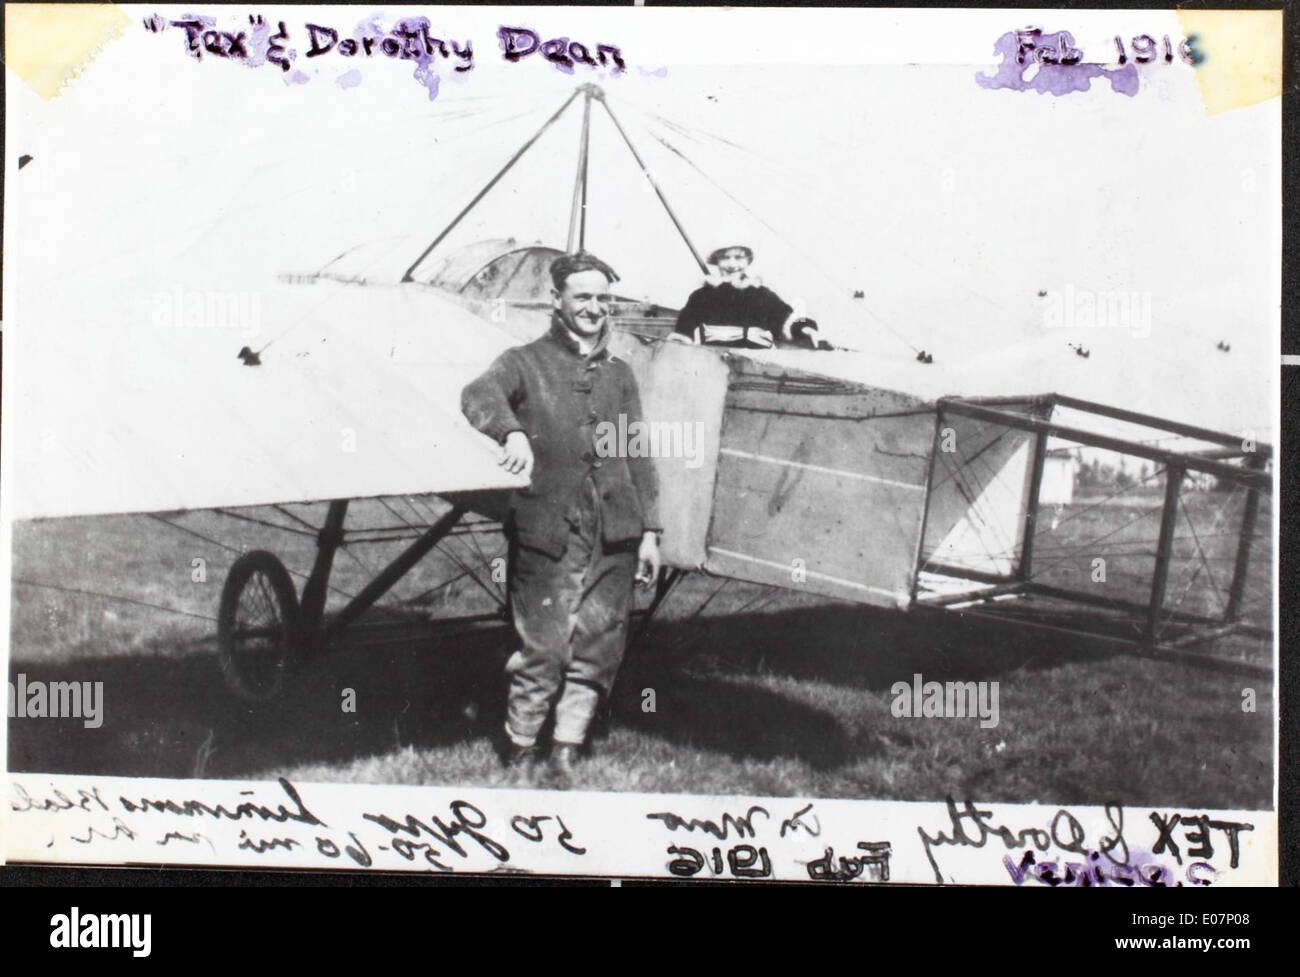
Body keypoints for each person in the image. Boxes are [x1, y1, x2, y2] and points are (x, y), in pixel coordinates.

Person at [461, 251, 662, 788]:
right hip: (548, 526)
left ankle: (566, 749)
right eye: (583, 297)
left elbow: (636, 450)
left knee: (599, 641)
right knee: (545, 646)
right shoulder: (522, 361)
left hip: (616, 527)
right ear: (557, 300)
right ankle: (521, 746)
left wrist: (650, 533)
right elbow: (477, 395)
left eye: (603, 298)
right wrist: (512, 432)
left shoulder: (620, 375)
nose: (595, 308)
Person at [673, 244, 829, 350]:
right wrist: (679, 340)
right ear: (716, 261)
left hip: (756, 368)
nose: (732, 265)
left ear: (748, 261)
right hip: (711, 365)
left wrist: (807, 327)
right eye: (725, 258)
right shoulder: (700, 296)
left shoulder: (762, 295)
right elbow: (683, 328)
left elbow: (791, 319)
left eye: (738, 258)